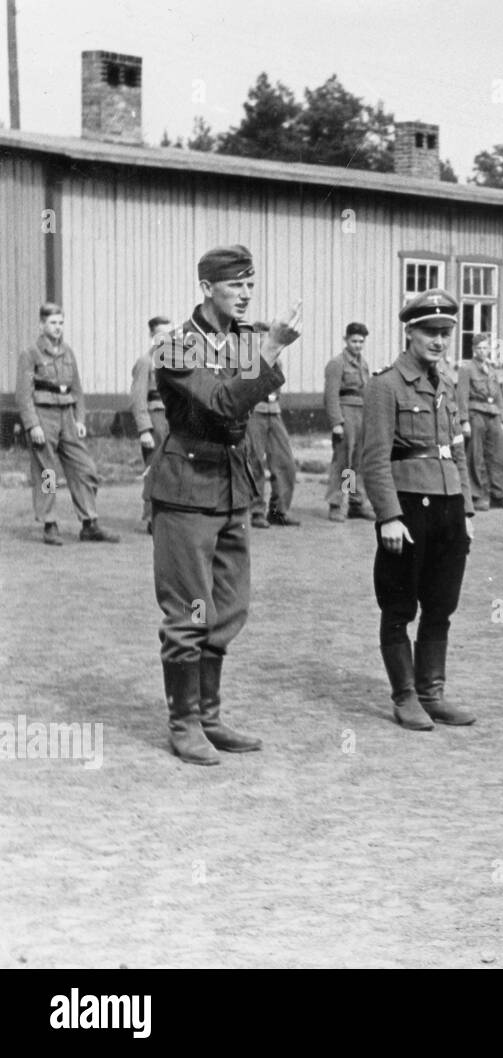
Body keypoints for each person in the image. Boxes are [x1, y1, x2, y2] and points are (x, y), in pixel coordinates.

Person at [150, 244, 301, 765]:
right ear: (206, 287)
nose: (245, 294)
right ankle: (184, 723)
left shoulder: (243, 341)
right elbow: (219, 401)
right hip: (187, 488)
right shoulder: (175, 347)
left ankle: (210, 716)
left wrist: (264, 352)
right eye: (235, 284)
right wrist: (272, 348)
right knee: (188, 612)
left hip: (234, 487)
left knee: (229, 610)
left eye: (250, 284)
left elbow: (254, 396)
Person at [362, 289, 476, 730]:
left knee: (441, 606)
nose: (439, 340)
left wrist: (467, 510)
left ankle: (432, 692)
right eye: (430, 331)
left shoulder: (447, 384)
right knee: (398, 607)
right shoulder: (384, 385)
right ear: (410, 332)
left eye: (445, 332)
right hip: (407, 510)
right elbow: (374, 458)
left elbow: (457, 451)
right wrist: (388, 516)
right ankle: (406, 696)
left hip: (448, 507)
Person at [15, 302, 119, 546]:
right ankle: (50, 524)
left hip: (67, 419)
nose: (58, 327)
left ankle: (89, 523)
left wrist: (80, 419)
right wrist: (33, 425)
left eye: (61, 323)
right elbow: (23, 394)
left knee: (86, 468)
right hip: (44, 417)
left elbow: (78, 389)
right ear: (42, 325)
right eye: (53, 323)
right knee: (48, 473)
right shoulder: (30, 354)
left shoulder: (68, 352)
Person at [457, 332, 503, 511]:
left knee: (500, 456)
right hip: (475, 415)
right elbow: (462, 395)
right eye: (479, 348)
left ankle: (499, 495)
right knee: (474, 456)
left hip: (493, 415)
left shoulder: (491, 370)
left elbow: (498, 396)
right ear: (474, 350)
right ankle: (474, 496)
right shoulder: (466, 369)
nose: (483, 351)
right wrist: (464, 420)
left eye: (485, 348)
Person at [324, 322, 375, 522]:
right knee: (343, 461)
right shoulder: (337, 363)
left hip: (361, 414)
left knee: (357, 461)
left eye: (361, 341)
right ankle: (336, 503)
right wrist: (336, 422)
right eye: (354, 341)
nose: (358, 345)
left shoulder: (363, 363)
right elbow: (330, 395)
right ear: (345, 340)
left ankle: (355, 501)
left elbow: (366, 391)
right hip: (345, 413)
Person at [130, 315, 173, 530]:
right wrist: (144, 430)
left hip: (172, 420)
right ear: (151, 336)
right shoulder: (145, 362)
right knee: (154, 468)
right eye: (160, 335)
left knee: (173, 469)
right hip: (155, 419)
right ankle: (151, 517)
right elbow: (138, 398)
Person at [247, 384, 299, 527]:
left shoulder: (276, 363)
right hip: (254, 411)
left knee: (286, 464)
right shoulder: (338, 364)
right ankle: (256, 512)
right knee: (254, 462)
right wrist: (336, 419)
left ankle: (278, 511)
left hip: (273, 410)